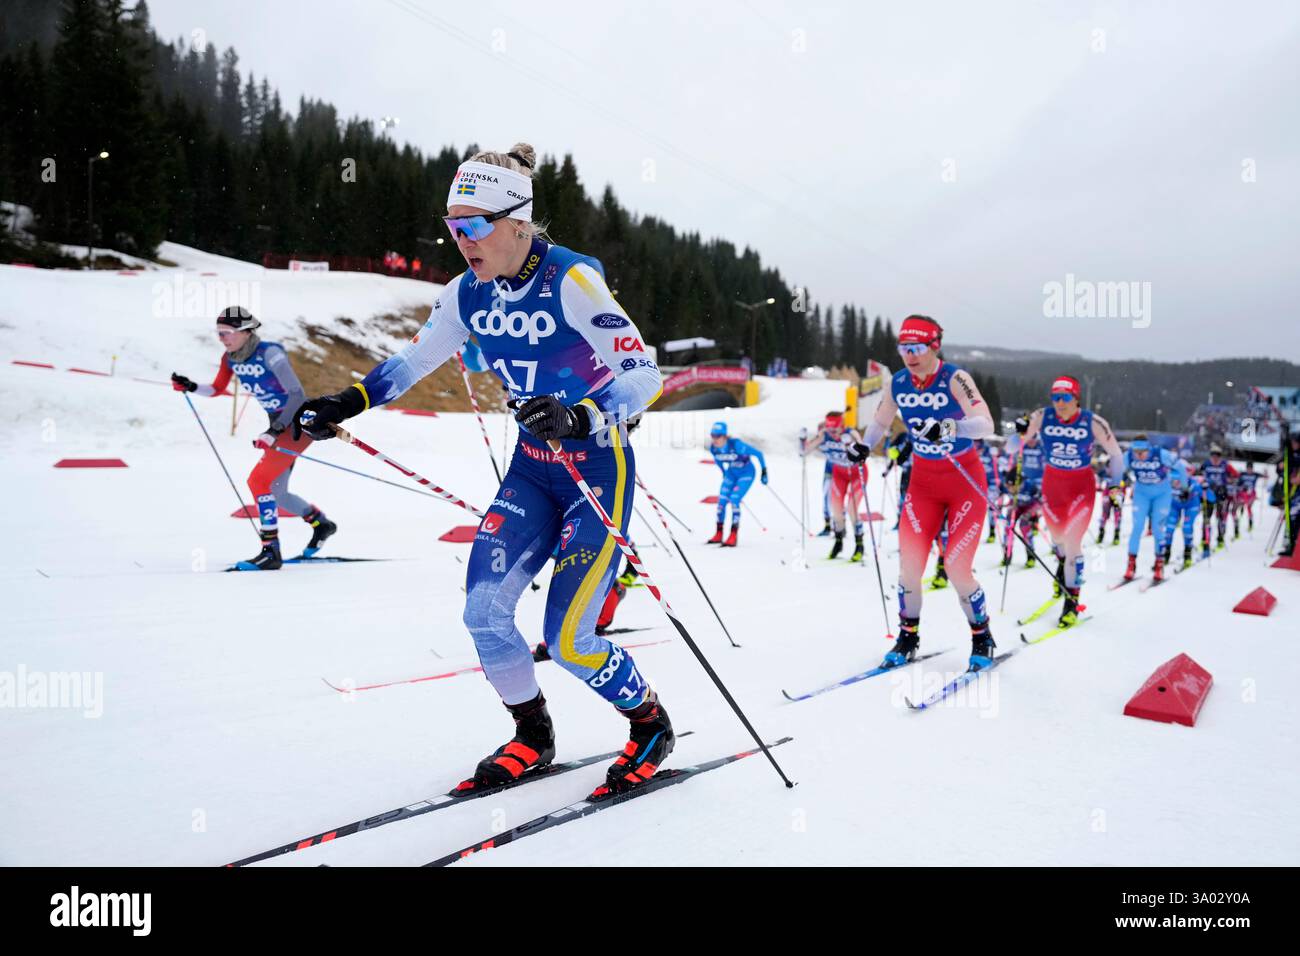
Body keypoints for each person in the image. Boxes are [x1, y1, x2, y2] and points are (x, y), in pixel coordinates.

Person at [293, 143, 671, 799]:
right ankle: (533, 733)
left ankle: (650, 724)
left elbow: (643, 375)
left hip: (595, 472)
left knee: (571, 637)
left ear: (517, 223)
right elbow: (410, 364)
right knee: (483, 610)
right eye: (452, 226)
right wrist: (346, 402)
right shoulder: (465, 294)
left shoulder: (572, 281)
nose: (460, 239)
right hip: (531, 473)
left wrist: (582, 415)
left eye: (473, 225)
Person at [847, 315, 998, 671]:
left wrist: (948, 427)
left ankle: (981, 635)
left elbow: (985, 425)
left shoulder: (955, 378)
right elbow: (882, 421)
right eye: (903, 348)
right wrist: (865, 446)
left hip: (965, 484)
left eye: (916, 348)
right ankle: (908, 637)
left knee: (957, 568)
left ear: (935, 347)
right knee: (910, 568)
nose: (909, 356)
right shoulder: (898, 383)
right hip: (923, 485)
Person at [171, 307, 336, 569]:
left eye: (227, 333)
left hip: (297, 422)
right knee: (277, 494)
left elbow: (296, 394)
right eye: (219, 334)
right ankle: (322, 524)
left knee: (258, 480)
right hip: (277, 425)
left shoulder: (270, 353)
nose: (222, 338)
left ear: (246, 332)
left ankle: (271, 551)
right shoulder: (230, 358)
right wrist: (191, 386)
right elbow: (216, 389)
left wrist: (275, 431)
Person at [1017, 377, 1124, 625]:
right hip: (1052, 486)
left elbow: (1116, 455)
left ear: (1076, 398)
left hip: (1080, 488)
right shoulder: (1042, 416)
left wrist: (1116, 484)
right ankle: (1063, 565)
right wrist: (1019, 429)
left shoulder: (1093, 422)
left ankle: (1071, 601)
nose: (1060, 403)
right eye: (1055, 397)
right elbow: (1014, 446)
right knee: (1058, 539)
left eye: (1065, 398)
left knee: (1073, 541)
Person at [1120, 434, 1188, 581]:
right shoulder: (1128, 456)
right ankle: (1131, 566)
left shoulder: (1161, 454)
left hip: (1161, 493)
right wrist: (1116, 486)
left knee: (1158, 529)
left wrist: (1185, 488)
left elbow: (1181, 468)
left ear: (1148, 449)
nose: (1139, 456)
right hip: (1141, 493)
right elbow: (1117, 470)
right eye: (1136, 452)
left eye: (1142, 452)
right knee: (1137, 527)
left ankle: (1159, 566)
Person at [803, 412, 867, 560]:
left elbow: (862, 446)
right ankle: (838, 543)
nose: (833, 434)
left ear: (841, 426)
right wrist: (804, 440)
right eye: (830, 430)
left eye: (835, 430)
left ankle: (859, 545)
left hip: (857, 474)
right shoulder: (823, 436)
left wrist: (854, 445)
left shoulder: (850, 433)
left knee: (852, 509)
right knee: (836, 511)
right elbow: (804, 452)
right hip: (839, 474)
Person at [707, 421, 768, 547]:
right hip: (731, 473)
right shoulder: (714, 448)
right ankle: (718, 533)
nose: (715, 439)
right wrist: (724, 472)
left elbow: (758, 454)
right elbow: (718, 461)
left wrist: (764, 472)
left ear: (724, 436)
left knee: (734, 499)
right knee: (722, 501)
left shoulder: (737, 445)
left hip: (746, 473)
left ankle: (733, 535)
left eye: (718, 436)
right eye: (712, 435)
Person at [1197, 444, 1238, 550]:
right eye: (1213, 455)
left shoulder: (1225, 464)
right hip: (1208, 493)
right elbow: (1197, 473)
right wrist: (1202, 480)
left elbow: (1236, 474)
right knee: (1206, 517)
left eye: (1218, 455)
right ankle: (1205, 539)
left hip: (1221, 493)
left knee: (1220, 517)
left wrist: (1230, 480)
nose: (1215, 458)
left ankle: (1220, 538)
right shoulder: (1206, 464)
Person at [1165, 462, 1204, 569]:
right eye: (1174, 481)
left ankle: (1187, 554)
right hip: (1175, 505)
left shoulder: (1193, 484)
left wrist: (1205, 489)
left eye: (1178, 481)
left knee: (1186, 527)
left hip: (1191, 506)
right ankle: (1165, 555)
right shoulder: (1168, 481)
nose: (1176, 483)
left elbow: (1209, 497)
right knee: (1169, 527)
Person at [1095, 455, 1125, 546]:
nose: (1110, 470)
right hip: (1106, 494)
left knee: (1117, 515)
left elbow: (1125, 484)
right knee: (1104, 515)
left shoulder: (1120, 473)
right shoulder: (1103, 473)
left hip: (1116, 494)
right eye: (1109, 467)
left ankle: (1116, 535)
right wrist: (1099, 487)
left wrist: (1122, 494)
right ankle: (1101, 534)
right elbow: (1098, 480)